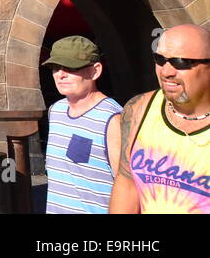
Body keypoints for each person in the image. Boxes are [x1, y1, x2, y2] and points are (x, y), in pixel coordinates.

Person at [109, 23, 210, 214]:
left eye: (181, 62)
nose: (166, 72)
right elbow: (127, 181)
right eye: (160, 59)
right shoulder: (138, 108)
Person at [41, 36, 122, 214]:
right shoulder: (56, 111)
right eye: (55, 68)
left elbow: (128, 186)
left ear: (95, 71)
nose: (60, 75)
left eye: (70, 68)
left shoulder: (113, 118)